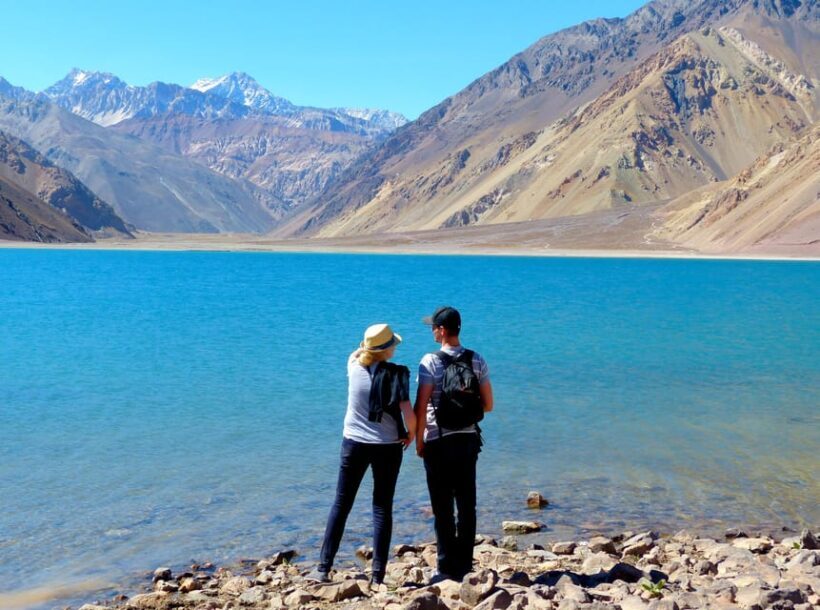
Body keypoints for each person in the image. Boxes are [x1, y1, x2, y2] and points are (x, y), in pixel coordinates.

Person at [311, 323, 416, 585]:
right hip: (388, 446)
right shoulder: (397, 375)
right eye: (392, 343)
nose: (395, 346)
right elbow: (409, 415)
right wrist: (411, 435)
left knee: (342, 503)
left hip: (354, 443)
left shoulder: (353, 365)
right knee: (381, 507)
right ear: (386, 349)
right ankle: (377, 576)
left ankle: (324, 568)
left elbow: (359, 353)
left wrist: (367, 347)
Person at [415, 306, 493, 581]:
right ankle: (465, 565)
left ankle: (446, 567)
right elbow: (490, 405)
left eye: (433, 327)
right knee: (467, 504)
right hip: (468, 440)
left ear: (442, 330)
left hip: (438, 442)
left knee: (442, 506)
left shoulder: (430, 362)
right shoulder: (477, 360)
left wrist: (418, 441)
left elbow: (421, 405)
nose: (432, 331)